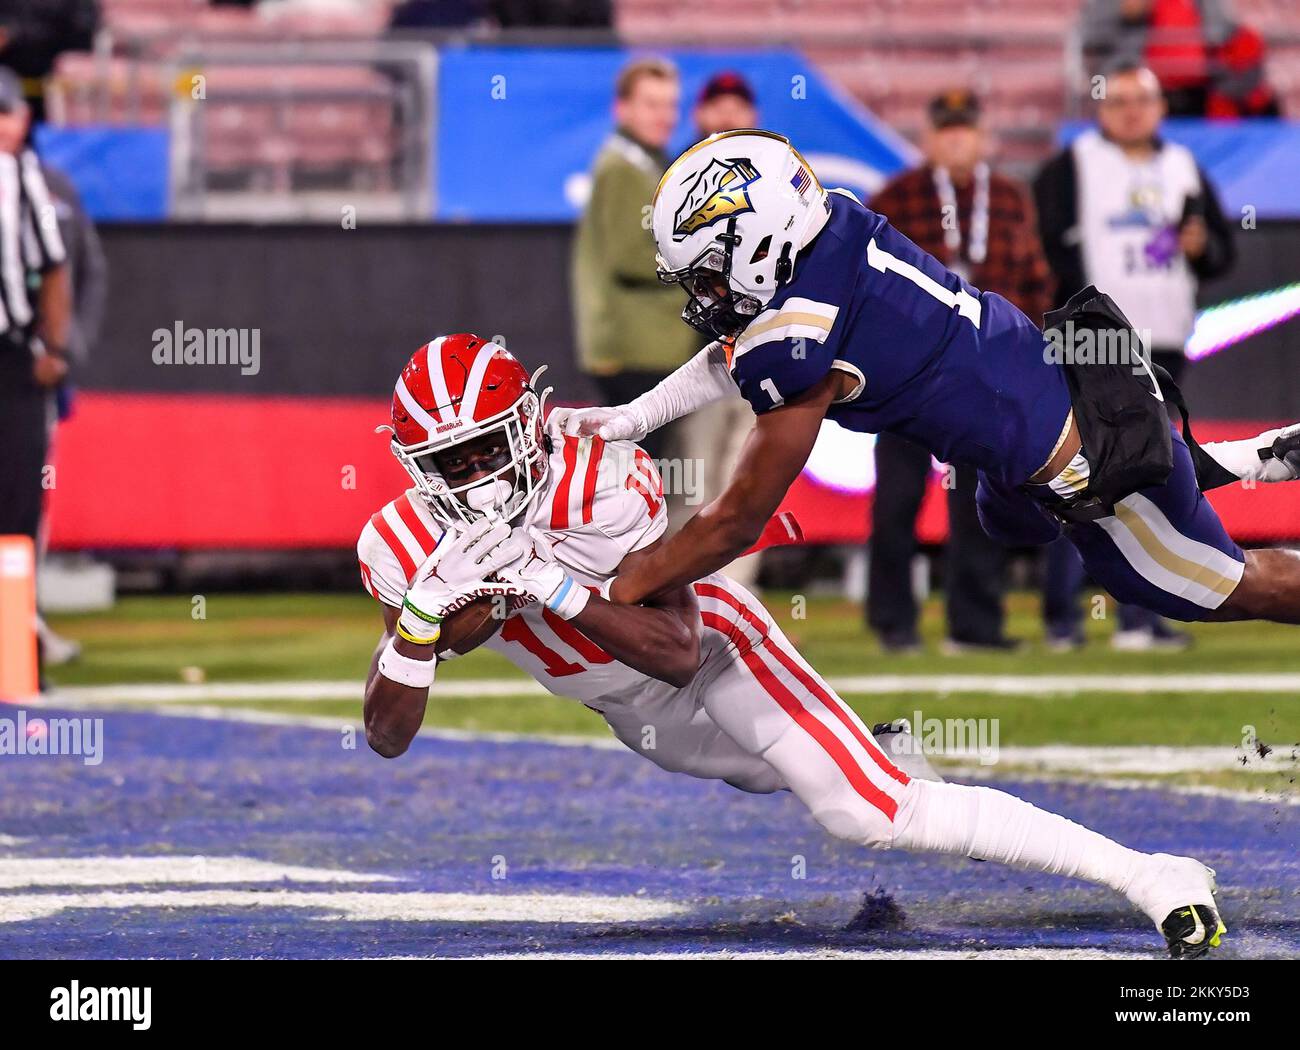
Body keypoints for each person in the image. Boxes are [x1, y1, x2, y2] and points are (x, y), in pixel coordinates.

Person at [358, 333, 1227, 958]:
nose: (472, 481)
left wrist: (549, 584)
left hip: (712, 658)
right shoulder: (400, 543)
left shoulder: (599, 479)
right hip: (631, 713)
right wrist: (420, 624)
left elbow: (671, 644)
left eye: (483, 451)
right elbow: (389, 734)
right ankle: (870, 750)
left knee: (866, 813)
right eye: (448, 464)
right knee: (782, 774)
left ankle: (1149, 872)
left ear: (528, 424)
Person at [553, 129, 1300, 649]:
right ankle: (1247, 458)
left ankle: (1216, 473)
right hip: (1066, 391)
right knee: (1009, 522)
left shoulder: (801, 335)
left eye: (712, 270)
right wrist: (633, 417)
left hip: (1088, 460)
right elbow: (741, 348)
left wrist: (618, 587)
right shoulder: (832, 226)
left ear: (758, 243)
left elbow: (735, 522)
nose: (708, 292)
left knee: (1218, 588)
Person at [1035, 63, 1236, 651]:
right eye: (1118, 100)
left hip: (1165, 340)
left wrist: (1202, 249)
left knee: (1153, 475)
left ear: (1160, 108)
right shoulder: (1072, 166)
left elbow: (1220, 251)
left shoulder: (1182, 168)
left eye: (1142, 100)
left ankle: (1141, 613)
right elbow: (1049, 247)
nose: (1130, 111)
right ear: (1100, 108)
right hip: (1098, 343)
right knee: (1079, 474)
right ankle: (1065, 614)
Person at [866, 89, 1052, 654]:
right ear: (928, 139)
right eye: (944, 130)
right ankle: (893, 624)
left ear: (982, 137)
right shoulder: (896, 197)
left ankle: (975, 625)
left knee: (976, 500)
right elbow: (870, 283)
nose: (955, 139)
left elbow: (1035, 278)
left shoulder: (1012, 198)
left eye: (964, 129)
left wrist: (1024, 351)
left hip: (981, 372)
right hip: (905, 370)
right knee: (897, 497)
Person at [571, 56, 698, 464]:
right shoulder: (623, 167)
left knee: (643, 470)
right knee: (643, 474)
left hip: (644, 344)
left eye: (670, 105)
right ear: (621, 108)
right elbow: (629, 256)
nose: (664, 116)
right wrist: (705, 264)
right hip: (638, 346)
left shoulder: (641, 161)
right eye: (651, 104)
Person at [674, 70, 763, 588]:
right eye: (719, 104)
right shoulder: (678, 179)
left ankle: (736, 597)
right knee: (693, 474)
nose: (729, 116)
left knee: (747, 480)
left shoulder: (772, 179)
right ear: (700, 115)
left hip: (757, 348)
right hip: (697, 352)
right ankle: (680, 595)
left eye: (739, 105)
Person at [0, 66, 71, 675]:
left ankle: (12, 655)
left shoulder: (21, 177)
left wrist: (52, 347)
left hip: (9, 356)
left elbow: (54, 265)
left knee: (17, 505)